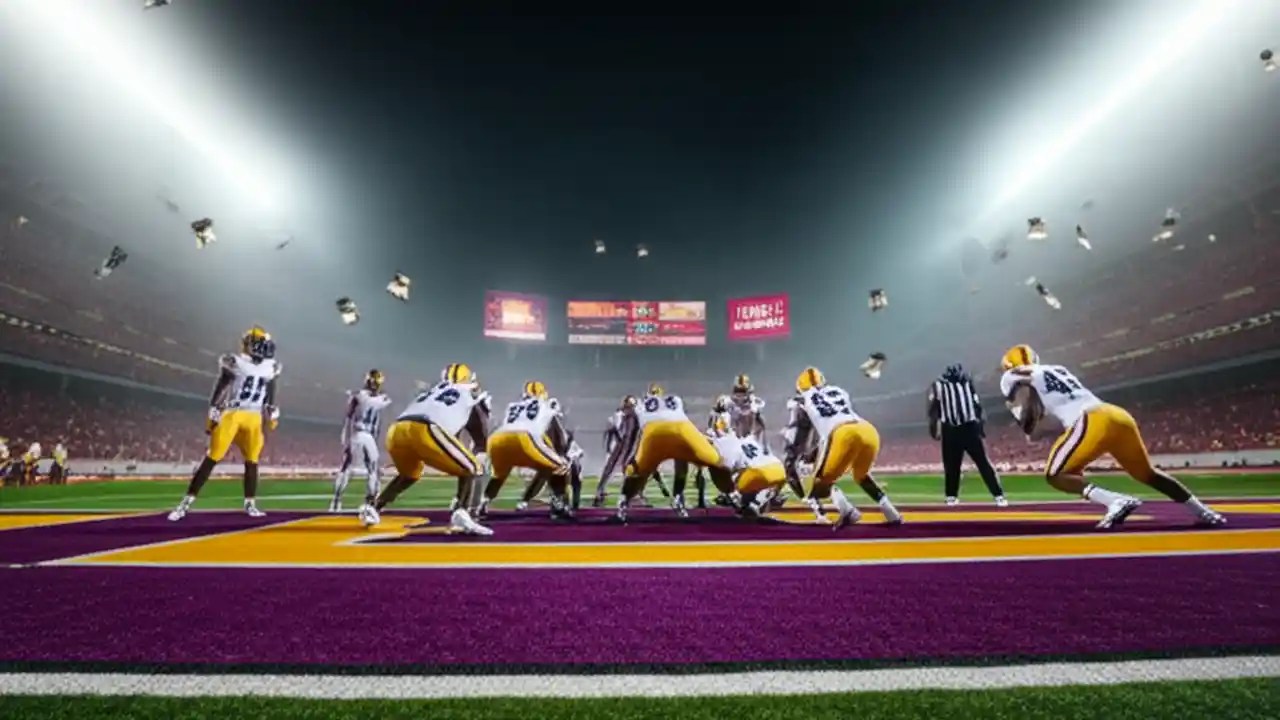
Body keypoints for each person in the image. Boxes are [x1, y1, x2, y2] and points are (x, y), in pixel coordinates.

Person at [999, 344, 1224, 529]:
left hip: (1091, 419)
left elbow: (1028, 411)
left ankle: (1115, 500)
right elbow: (1062, 404)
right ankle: (1204, 512)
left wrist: (1027, 424)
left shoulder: (1011, 376)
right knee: (1148, 474)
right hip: (1117, 415)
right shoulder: (1058, 369)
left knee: (1055, 474)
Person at [168, 327, 281, 521]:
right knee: (213, 457)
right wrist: (213, 409)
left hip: (254, 416)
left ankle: (250, 504)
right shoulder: (235, 362)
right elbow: (221, 386)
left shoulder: (270, 367)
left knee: (252, 461)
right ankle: (185, 504)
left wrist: (271, 411)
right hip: (233, 413)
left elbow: (270, 391)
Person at [375, 363, 492, 535]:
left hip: (397, 430)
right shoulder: (470, 395)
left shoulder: (434, 391)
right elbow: (481, 436)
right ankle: (463, 512)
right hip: (426, 429)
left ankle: (374, 507)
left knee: (410, 474)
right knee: (474, 467)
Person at [793, 366, 903, 529]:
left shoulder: (804, 400)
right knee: (862, 476)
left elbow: (822, 433)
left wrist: (811, 454)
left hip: (841, 434)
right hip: (867, 429)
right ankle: (891, 512)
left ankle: (847, 511)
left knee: (818, 483)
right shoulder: (838, 391)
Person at [928, 364, 1007, 506]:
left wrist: (980, 425)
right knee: (952, 465)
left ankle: (998, 494)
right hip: (950, 428)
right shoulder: (939, 385)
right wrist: (934, 427)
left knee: (983, 463)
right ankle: (951, 495)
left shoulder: (967, 382)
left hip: (969, 426)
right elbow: (934, 407)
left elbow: (976, 404)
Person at [330, 369, 394, 525]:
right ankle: (370, 502)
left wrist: (345, 437)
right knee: (373, 470)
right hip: (369, 437)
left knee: (346, 468)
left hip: (358, 434)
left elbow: (348, 417)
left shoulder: (357, 396)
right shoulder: (383, 399)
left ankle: (336, 501)